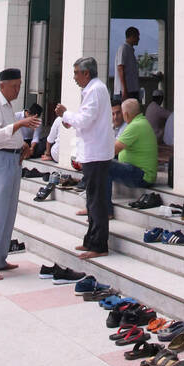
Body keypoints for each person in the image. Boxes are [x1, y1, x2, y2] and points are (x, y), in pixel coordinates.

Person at [0, 68, 40, 281]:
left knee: (9, 211)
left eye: (20, 85)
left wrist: (21, 142)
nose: (17, 89)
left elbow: (8, 129)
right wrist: (20, 124)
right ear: (2, 86)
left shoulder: (7, 106)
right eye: (14, 85)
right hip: (1, 160)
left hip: (13, 159)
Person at [56, 56, 114, 260]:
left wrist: (66, 114)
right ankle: (91, 239)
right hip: (92, 152)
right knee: (91, 199)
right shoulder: (91, 90)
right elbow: (83, 120)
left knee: (97, 200)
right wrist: (68, 119)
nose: (74, 78)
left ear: (86, 73)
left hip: (96, 153)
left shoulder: (95, 90)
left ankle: (99, 244)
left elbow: (84, 119)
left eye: (76, 73)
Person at [110, 98, 158, 191]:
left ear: (125, 114)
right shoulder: (141, 122)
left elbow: (113, 150)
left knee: (104, 165)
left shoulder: (135, 126)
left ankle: (103, 201)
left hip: (142, 176)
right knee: (104, 163)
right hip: (142, 173)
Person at [116, 26, 141, 102]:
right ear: (132, 36)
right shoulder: (123, 48)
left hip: (132, 89)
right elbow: (120, 68)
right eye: (137, 36)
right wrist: (124, 89)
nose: (138, 39)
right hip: (126, 91)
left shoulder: (130, 50)